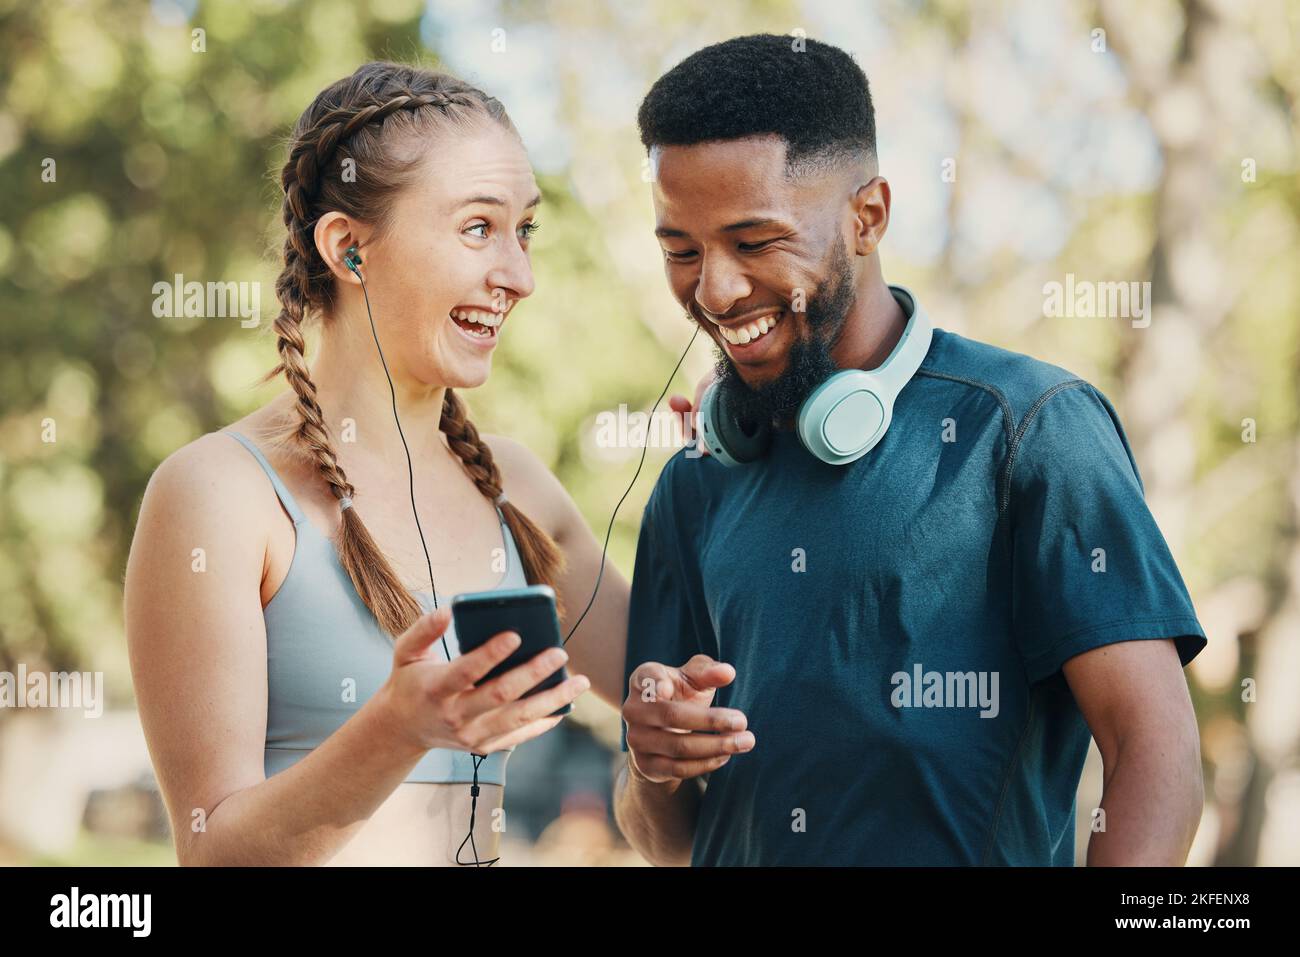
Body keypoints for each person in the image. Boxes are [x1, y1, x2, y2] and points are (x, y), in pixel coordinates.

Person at [616, 34, 1208, 866]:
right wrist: (652, 764)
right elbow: (664, 837)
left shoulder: (1033, 429)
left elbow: (1158, 756)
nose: (713, 289)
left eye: (753, 243)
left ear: (870, 216)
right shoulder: (695, 480)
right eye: (681, 250)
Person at [125, 62, 634, 866]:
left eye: (524, 230)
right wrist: (398, 728)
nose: (520, 276)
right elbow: (213, 853)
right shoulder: (218, 492)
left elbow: (663, 691)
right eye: (478, 228)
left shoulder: (516, 486)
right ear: (348, 248)